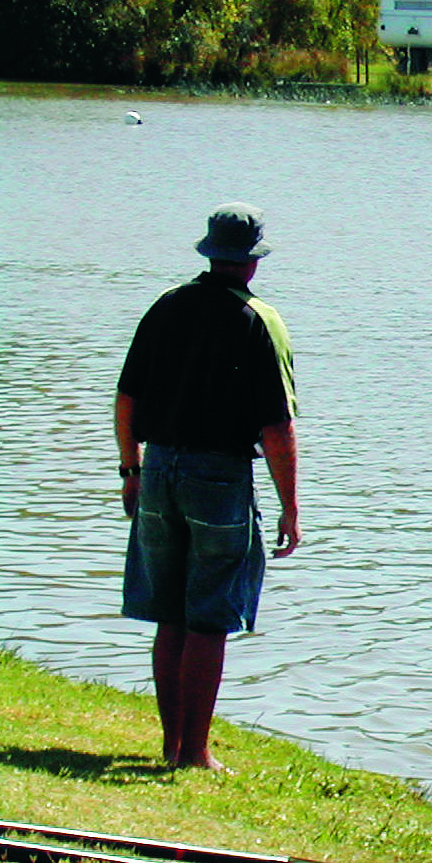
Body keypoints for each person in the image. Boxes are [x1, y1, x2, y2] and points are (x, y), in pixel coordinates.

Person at [115, 202, 300, 770]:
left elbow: (126, 400)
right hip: (218, 476)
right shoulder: (259, 320)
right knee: (210, 617)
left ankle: (171, 745)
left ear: (208, 251)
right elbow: (276, 430)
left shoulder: (166, 307)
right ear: (251, 262)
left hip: (160, 469)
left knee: (171, 613)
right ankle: (193, 754)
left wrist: (131, 470)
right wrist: (291, 508)